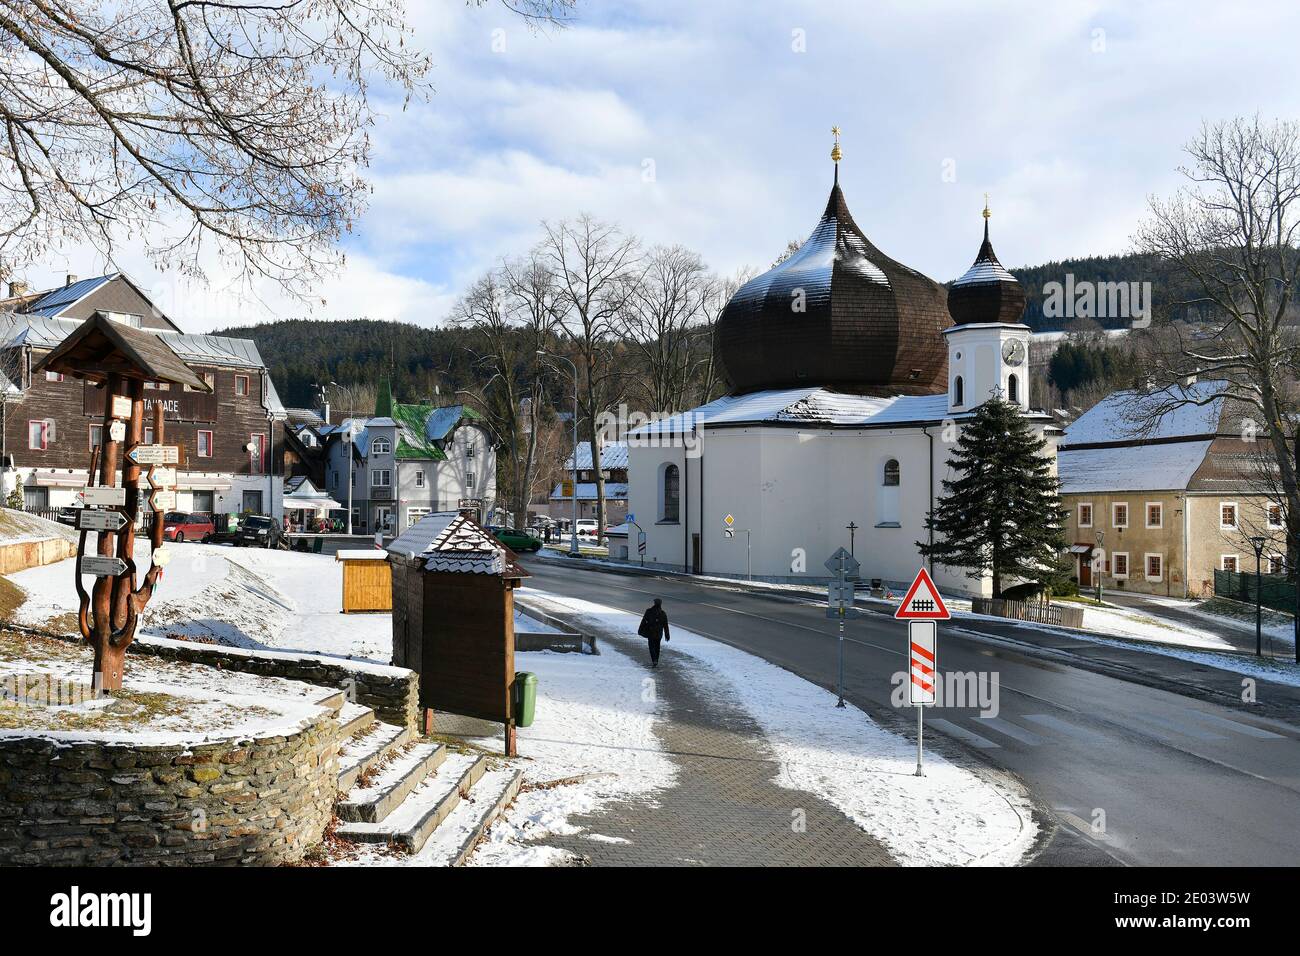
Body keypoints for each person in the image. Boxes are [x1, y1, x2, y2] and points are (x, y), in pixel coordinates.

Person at [637, 598, 670, 667]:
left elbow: (643, 621)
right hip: (659, 634)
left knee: (651, 647)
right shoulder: (663, 613)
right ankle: (656, 661)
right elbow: (665, 625)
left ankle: (654, 660)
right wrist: (667, 635)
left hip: (651, 632)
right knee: (657, 647)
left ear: (654, 603)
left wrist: (640, 630)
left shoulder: (649, 611)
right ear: (660, 604)